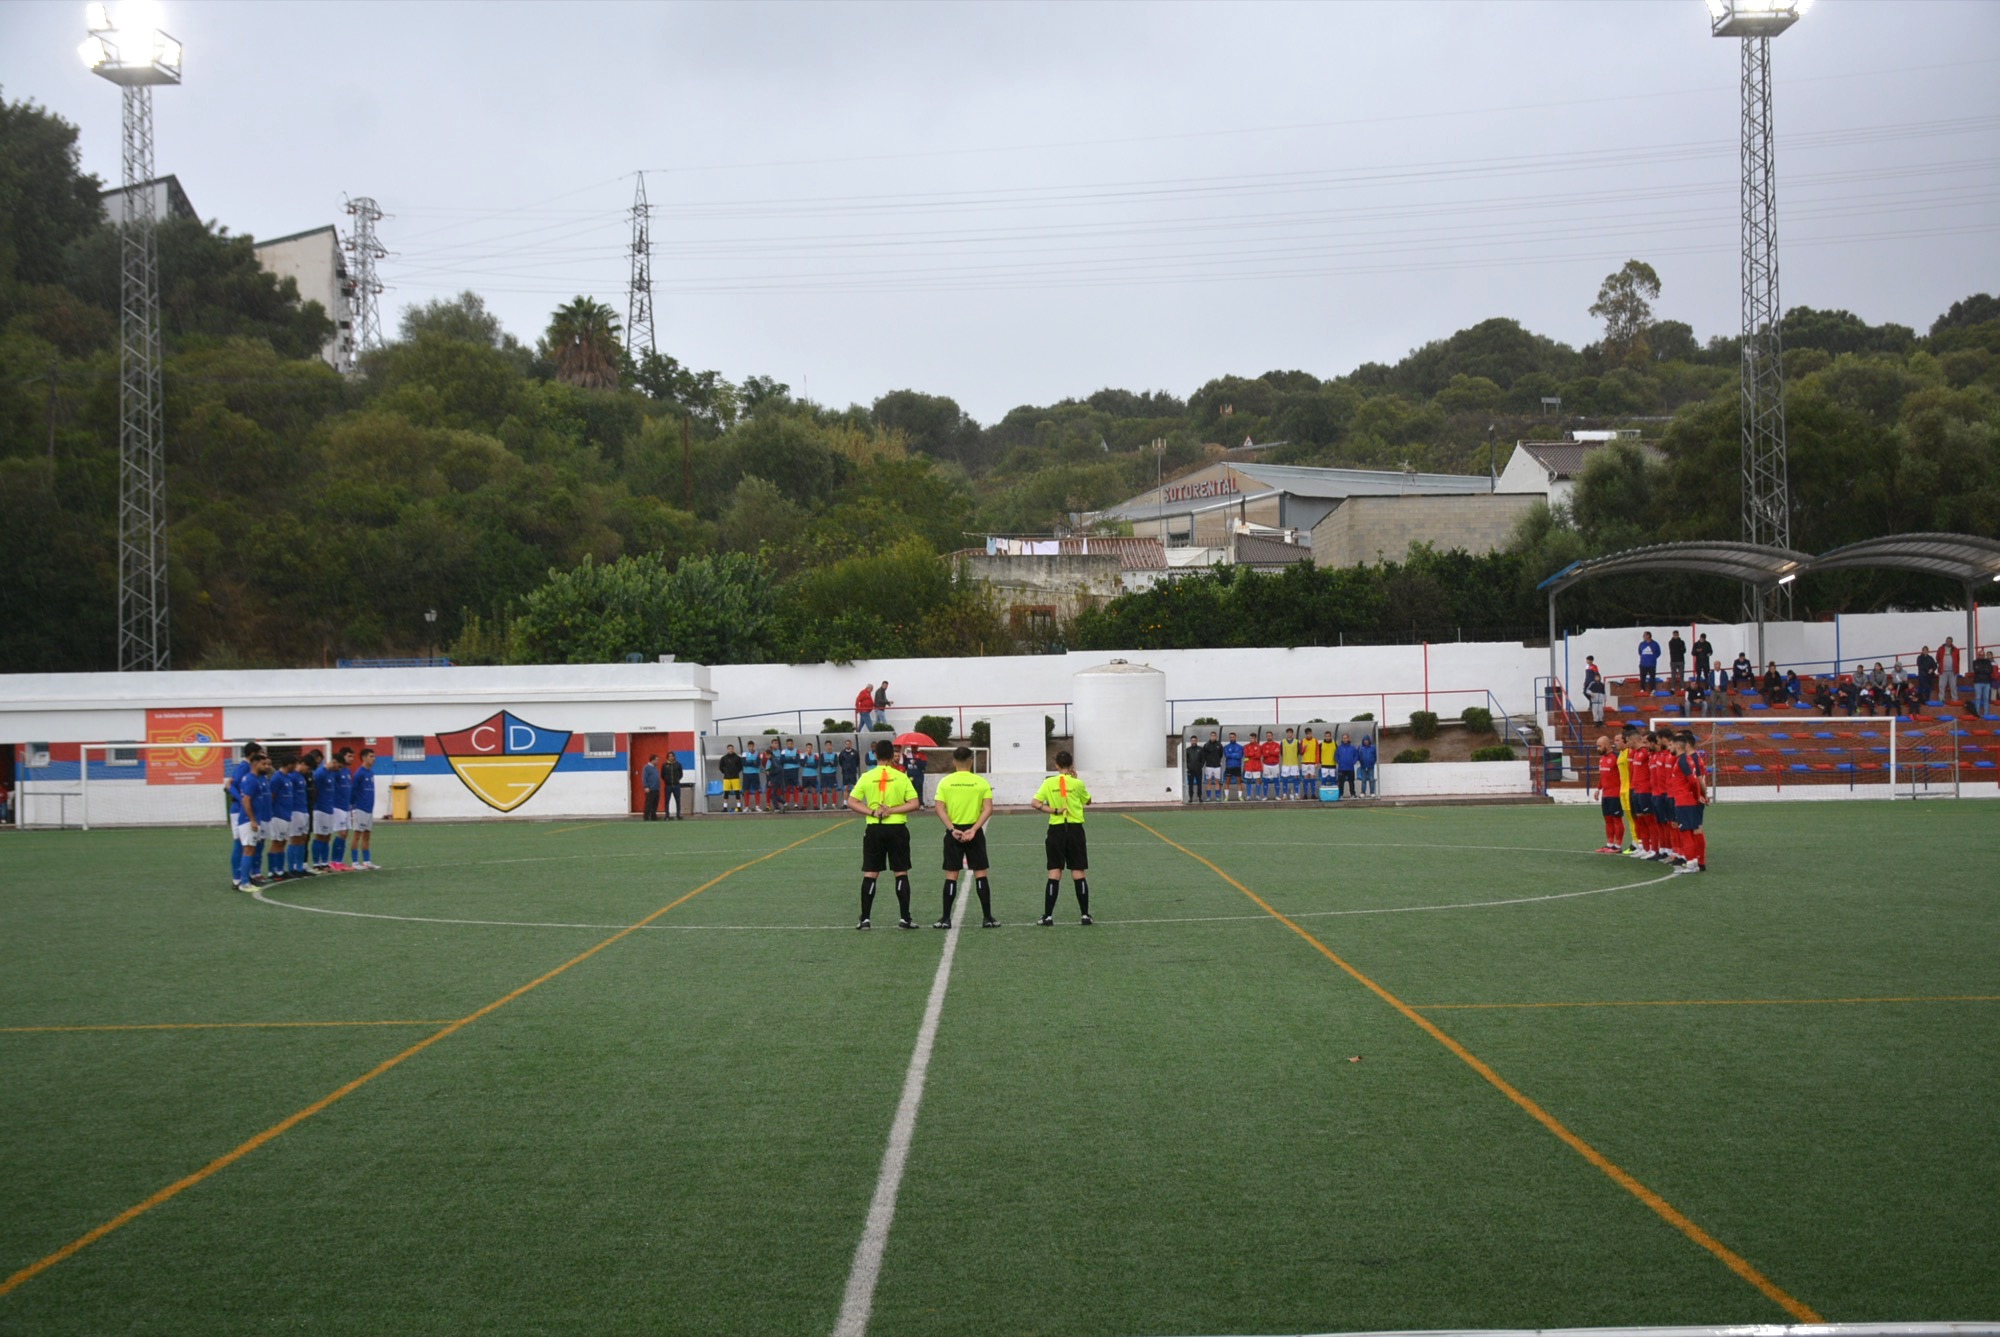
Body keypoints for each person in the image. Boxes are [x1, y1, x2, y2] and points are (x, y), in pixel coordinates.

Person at [846, 738, 920, 929]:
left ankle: (865, 919)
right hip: (897, 828)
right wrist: (893, 810)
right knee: (900, 872)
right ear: (892, 756)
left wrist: (872, 811)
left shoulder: (867, 777)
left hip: (874, 828)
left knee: (871, 872)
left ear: (875, 755)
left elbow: (852, 801)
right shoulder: (901, 777)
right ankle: (905, 918)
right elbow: (914, 804)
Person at [931, 746, 998, 928]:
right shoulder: (981, 782)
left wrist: (952, 829)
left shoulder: (945, 782)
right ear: (971, 761)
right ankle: (988, 918)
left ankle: (945, 918)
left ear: (954, 762)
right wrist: (975, 829)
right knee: (980, 873)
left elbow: (939, 808)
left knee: (951, 875)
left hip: (954, 833)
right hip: (973, 832)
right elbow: (988, 809)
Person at [1031, 750, 1092, 926]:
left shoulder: (1049, 783)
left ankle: (1048, 916)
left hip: (1056, 829)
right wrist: (1075, 779)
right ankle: (1085, 915)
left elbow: (1035, 803)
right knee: (1078, 871)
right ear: (1071, 765)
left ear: (1056, 765)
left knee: (1054, 871)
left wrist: (1055, 810)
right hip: (1075, 829)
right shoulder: (1078, 783)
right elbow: (1088, 801)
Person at [1671, 730, 1709, 873]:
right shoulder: (1688, 759)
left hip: (1689, 799)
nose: (1670, 747)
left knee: (1692, 830)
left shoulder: (1689, 759)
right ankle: (1697, 862)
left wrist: (1701, 795)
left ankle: (1697, 862)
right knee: (1693, 830)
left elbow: (1696, 780)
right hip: (1691, 797)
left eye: (1672, 744)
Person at [235, 752, 273, 891]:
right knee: (248, 849)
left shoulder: (257, 779)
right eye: (263, 764)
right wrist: (252, 820)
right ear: (255, 764)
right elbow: (246, 800)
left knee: (251, 849)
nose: (266, 766)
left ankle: (248, 879)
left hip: (255, 819)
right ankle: (244, 883)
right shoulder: (251, 779)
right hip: (248, 820)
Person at [349, 748, 379, 869]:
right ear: (364, 757)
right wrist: (353, 807)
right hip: (360, 808)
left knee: (367, 835)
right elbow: (353, 791)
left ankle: (367, 861)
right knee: (357, 835)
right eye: (371, 756)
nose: (374, 758)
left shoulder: (370, 773)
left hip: (369, 809)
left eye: (374, 756)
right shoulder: (359, 773)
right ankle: (355, 862)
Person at [1594, 735, 1624, 853]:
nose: (1598, 748)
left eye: (1599, 746)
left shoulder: (1616, 757)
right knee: (1607, 820)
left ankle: (1618, 845)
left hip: (1615, 794)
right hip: (1605, 795)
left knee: (1617, 819)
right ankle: (1609, 844)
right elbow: (1603, 776)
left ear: (1606, 745)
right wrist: (1598, 789)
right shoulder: (1602, 758)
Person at [328, 747, 355, 871]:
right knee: (341, 833)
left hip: (346, 807)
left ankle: (340, 861)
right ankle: (334, 861)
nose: (351, 759)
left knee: (345, 834)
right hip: (337, 806)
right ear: (342, 756)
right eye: (349, 756)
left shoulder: (348, 771)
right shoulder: (336, 772)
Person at [716, 745, 743, 813]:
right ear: (727, 749)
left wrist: (736, 772)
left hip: (735, 778)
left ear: (733, 749)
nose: (730, 750)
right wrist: (725, 772)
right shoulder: (724, 758)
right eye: (729, 749)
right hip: (727, 778)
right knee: (726, 793)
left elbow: (740, 766)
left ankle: (739, 807)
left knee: (737, 792)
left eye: (732, 749)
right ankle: (725, 807)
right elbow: (721, 767)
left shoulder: (737, 758)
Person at [778, 739, 802, 811]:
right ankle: (786, 803)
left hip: (795, 770)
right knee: (787, 787)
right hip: (786, 771)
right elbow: (782, 760)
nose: (789, 745)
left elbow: (797, 760)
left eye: (790, 744)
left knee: (795, 787)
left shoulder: (797, 750)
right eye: (788, 744)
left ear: (793, 744)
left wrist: (788, 759)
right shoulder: (783, 751)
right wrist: (792, 758)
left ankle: (796, 804)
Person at [1971, 645, 1995, 719]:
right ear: (1978, 655)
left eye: (1983, 655)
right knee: (1978, 698)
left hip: (1987, 682)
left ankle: (1986, 714)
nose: (1981, 656)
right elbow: (1976, 670)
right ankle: (1977, 713)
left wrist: (1982, 670)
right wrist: (1985, 670)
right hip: (1978, 682)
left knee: (1986, 698)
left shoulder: (1988, 662)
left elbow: (1990, 671)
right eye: (1980, 655)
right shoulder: (1975, 662)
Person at [1200, 731, 1224, 803]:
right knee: (1209, 781)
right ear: (1210, 736)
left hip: (1217, 766)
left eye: (1214, 736)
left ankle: (1217, 797)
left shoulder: (1219, 745)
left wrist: (1216, 761)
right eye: (1212, 736)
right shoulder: (1206, 745)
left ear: (1216, 737)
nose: (1213, 737)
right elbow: (1204, 755)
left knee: (1217, 781)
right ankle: (1208, 797)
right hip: (1209, 766)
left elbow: (1220, 755)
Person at [1582, 655, 1607, 725]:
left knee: (1599, 710)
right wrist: (1585, 682)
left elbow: (1596, 674)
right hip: (1587, 682)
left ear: (1591, 660)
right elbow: (1586, 676)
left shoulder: (1594, 667)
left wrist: (1595, 681)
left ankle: (1598, 720)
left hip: (1591, 682)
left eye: (1588, 660)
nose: (1587, 661)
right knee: (1585, 692)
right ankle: (1591, 703)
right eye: (1587, 660)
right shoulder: (1587, 667)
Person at [1240, 732, 1264, 800]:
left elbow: (1258, 755)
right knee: (1248, 780)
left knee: (1258, 780)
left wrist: (1251, 755)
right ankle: (1248, 795)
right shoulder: (1246, 746)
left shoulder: (1259, 746)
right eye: (1250, 738)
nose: (1251, 739)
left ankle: (1258, 795)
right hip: (1248, 766)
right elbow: (1246, 755)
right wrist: (1253, 754)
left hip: (1257, 766)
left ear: (1255, 738)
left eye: (1252, 738)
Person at [1333, 732, 1358, 799]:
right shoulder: (1339, 748)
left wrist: (1353, 762)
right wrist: (1339, 762)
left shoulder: (1352, 747)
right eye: (1343, 738)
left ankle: (1353, 794)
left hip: (1350, 768)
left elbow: (1356, 756)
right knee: (1341, 783)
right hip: (1341, 768)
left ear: (1348, 738)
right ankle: (1341, 795)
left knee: (1351, 782)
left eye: (1346, 738)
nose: (1345, 739)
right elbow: (1336, 756)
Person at [1222, 731, 1245, 802]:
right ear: (1229, 738)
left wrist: (1232, 754)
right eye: (1230, 737)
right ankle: (1226, 797)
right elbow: (1227, 755)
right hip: (1229, 766)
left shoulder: (1240, 747)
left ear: (1235, 737)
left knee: (1239, 782)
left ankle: (1240, 797)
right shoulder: (1226, 747)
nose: (1232, 738)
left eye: (1233, 737)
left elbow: (1240, 756)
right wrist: (1235, 754)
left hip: (1237, 766)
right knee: (1227, 781)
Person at [1278, 728, 1301, 800]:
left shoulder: (1297, 742)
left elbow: (1298, 752)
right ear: (1286, 734)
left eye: (1291, 733)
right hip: (1286, 763)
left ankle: (1297, 794)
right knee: (1285, 779)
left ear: (1292, 734)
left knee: (1295, 779)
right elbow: (1281, 752)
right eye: (1288, 733)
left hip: (1294, 763)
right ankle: (1284, 795)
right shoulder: (1283, 741)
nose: (1289, 734)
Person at [738, 744, 761, 813]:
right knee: (746, 790)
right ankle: (746, 806)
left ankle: (757, 806)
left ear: (754, 746)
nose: (751, 748)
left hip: (755, 774)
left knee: (756, 790)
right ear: (748, 747)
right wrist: (752, 762)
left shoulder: (758, 754)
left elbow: (757, 764)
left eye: (752, 746)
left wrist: (749, 762)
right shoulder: (744, 754)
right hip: (746, 774)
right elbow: (744, 763)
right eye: (749, 746)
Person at [662, 749, 685, 819]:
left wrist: (676, 780)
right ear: (667, 757)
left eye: (672, 756)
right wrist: (667, 780)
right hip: (668, 786)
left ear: (674, 757)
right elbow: (662, 775)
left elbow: (681, 774)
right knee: (667, 801)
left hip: (676, 785)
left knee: (678, 800)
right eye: (669, 756)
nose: (671, 757)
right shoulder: (665, 765)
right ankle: (667, 815)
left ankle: (678, 814)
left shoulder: (678, 765)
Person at [1299, 728, 1321, 797]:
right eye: (1307, 734)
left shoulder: (1315, 741)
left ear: (1312, 733)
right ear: (1305, 734)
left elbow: (1317, 752)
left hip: (1312, 762)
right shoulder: (1303, 741)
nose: (1309, 735)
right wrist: (1304, 748)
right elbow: (1301, 753)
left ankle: (1313, 794)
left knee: (1312, 777)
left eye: (1310, 733)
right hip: (1305, 762)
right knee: (1305, 778)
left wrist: (1317, 762)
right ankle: (1305, 794)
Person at [1938, 637, 1960, 703]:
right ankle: (1941, 699)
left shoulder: (1956, 650)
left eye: (1950, 641)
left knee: (1953, 686)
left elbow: (1958, 659)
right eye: (1947, 641)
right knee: (1941, 685)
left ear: (1952, 642)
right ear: (1945, 641)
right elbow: (1938, 657)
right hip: (1943, 671)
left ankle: (1954, 699)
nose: (1948, 642)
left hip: (1952, 671)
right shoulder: (1941, 649)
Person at [817, 746, 838, 812]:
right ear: (825, 747)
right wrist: (829, 763)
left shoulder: (834, 755)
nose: (829, 747)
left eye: (830, 746)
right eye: (827, 746)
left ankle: (834, 804)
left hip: (832, 773)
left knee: (833, 789)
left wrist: (830, 764)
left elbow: (835, 763)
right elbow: (821, 763)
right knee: (824, 789)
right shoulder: (822, 754)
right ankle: (825, 804)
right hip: (824, 773)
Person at [641, 754, 663, 821]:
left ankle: (653, 816)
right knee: (649, 803)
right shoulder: (646, 768)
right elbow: (644, 778)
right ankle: (646, 817)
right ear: (652, 760)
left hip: (656, 788)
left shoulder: (655, 768)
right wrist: (646, 786)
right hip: (650, 789)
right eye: (656, 760)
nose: (657, 761)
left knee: (655, 803)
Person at [1184, 736, 1205, 803]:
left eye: (1194, 740)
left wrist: (1200, 766)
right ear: (1190, 741)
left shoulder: (1200, 749)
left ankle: (1199, 797)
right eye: (1192, 740)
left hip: (1198, 770)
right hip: (1190, 770)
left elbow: (1203, 759)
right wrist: (1188, 766)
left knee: (1199, 784)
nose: (1193, 741)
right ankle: (1190, 797)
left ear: (1196, 741)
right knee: (1190, 784)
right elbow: (1185, 760)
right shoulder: (1187, 750)